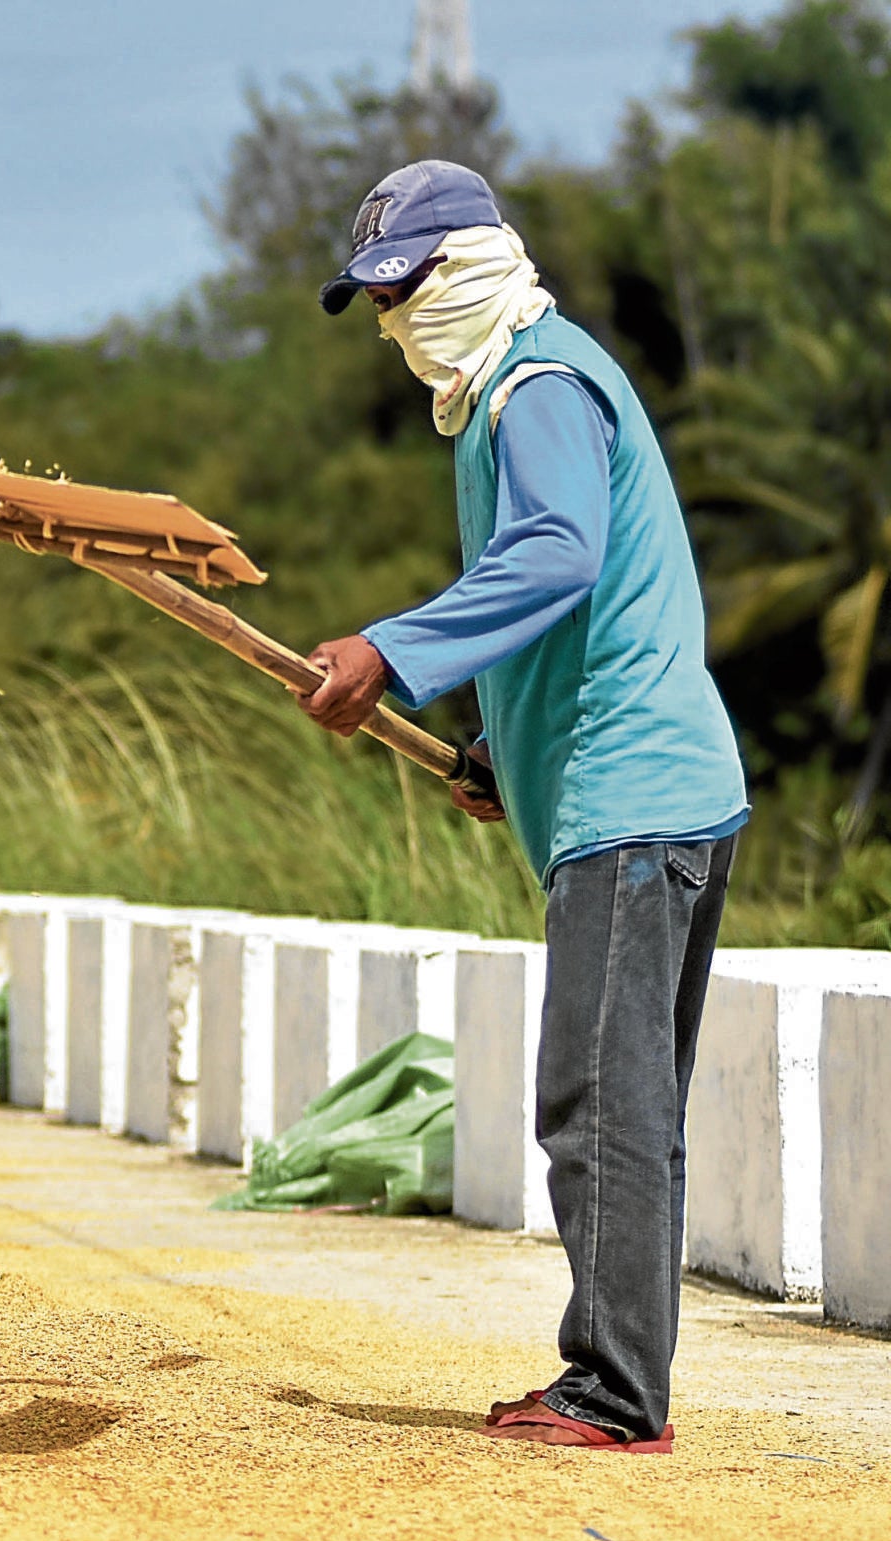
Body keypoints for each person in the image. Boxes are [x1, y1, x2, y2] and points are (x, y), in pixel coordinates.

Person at [298, 161, 748, 1454]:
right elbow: (587, 612)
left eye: (406, 287)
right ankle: (623, 1379)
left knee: (597, 1102)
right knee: (628, 1103)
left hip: (630, 801)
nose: (394, 320)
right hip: (657, 792)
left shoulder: (536, 384)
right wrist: (498, 748)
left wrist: (390, 650)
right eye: (377, 301)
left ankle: (613, 1394)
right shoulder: (516, 383)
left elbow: (557, 553)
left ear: (477, 261)